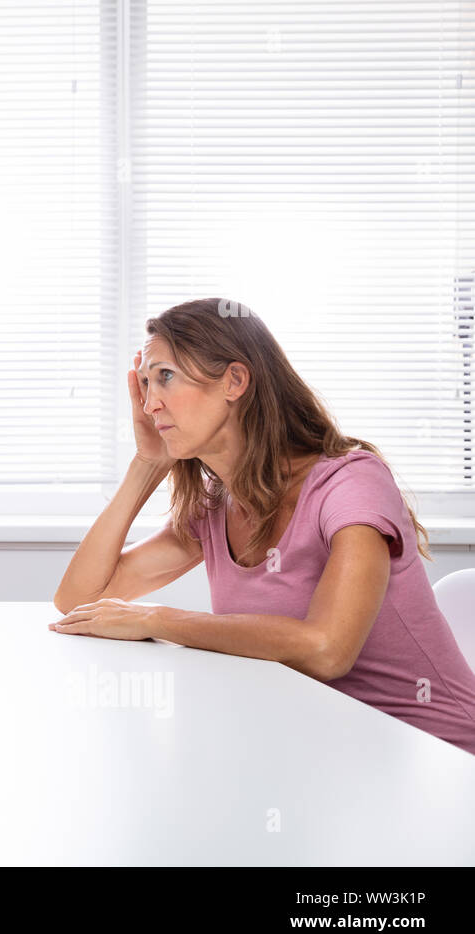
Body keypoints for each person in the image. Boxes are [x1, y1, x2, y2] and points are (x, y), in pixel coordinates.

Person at [50, 297, 475, 756]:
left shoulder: (349, 483)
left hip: (434, 759)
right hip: (324, 748)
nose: (151, 403)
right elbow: (80, 598)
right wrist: (147, 463)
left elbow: (327, 650)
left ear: (235, 380)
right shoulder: (215, 507)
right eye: (146, 384)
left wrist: (159, 620)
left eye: (166, 377)